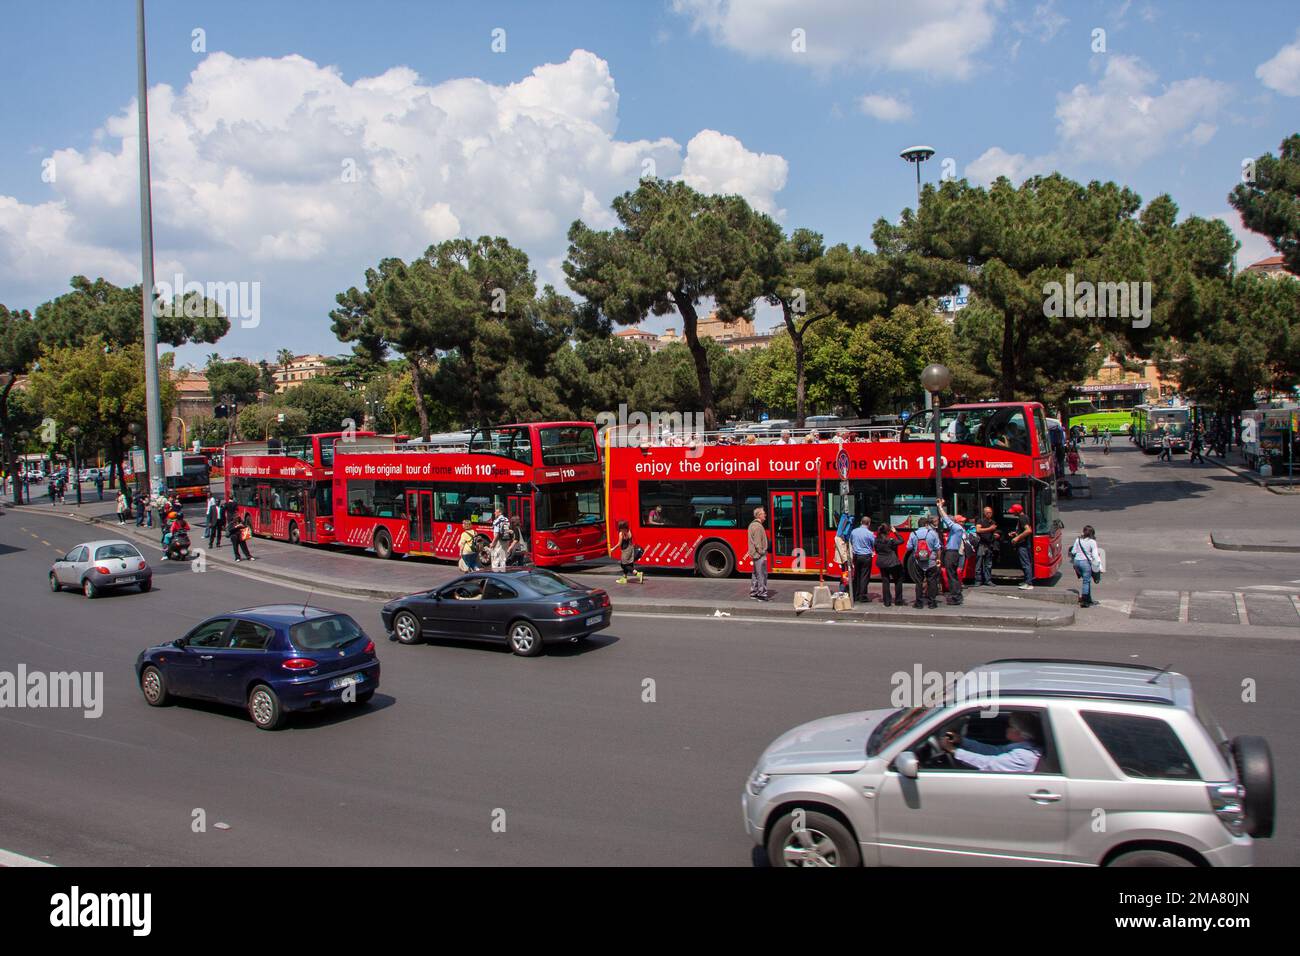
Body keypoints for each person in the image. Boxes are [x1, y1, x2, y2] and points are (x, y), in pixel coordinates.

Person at [939, 713, 1043, 773]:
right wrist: (962, 741)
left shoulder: (1023, 756)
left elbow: (988, 763)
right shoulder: (1024, 747)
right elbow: (994, 751)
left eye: (1010, 726)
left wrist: (954, 751)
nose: (1007, 728)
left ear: (1020, 733)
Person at [905, 515, 942, 609]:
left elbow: (908, 547)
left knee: (918, 582)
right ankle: (932, 603)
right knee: (932, 581)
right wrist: (938, 559)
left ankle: (919, 603)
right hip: (931, 561)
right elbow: (938, 548)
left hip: (918, 562)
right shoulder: (933, 533)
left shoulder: (913, 534)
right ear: (926, 524)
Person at [936, 500, 966, 606]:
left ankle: (955, 597)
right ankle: (957, 595)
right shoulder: (958, 529)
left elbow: (946, 520)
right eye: (961, 521)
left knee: (951, 576)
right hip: (953, 553)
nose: (963, 522)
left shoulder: (957, 528)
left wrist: (940, 507)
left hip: (951, 553)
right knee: (953, 575)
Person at [874, 523, 905, 607]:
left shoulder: (876, 540)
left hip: (881, 562)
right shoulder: (890, 540)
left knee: (885, 581)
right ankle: (898, 600)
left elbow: (876, 551)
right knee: (898, 580)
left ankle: (887, 601)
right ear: (888, 531)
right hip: (893, 562)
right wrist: (895, 532)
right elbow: (902, 540)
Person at [1071, 524, 1102, 608]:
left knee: (1086, 580)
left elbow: (1073, 551)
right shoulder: (1092, 542)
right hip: (1085, 563)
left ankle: (1088, 599)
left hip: (1076, 562)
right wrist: (1100, 567)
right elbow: (1095, 555)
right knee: (1086, 581)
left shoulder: (1078, 540)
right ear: (1092, 533)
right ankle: (1085, 601)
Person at [848, 516, 876, 604]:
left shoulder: (854, 531)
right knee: (865, 576)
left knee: (857, 575)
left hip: (857, 556)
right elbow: (873, 544)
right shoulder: (870, 534)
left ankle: (855, 595)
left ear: (861, 522)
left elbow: (851, 542)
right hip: (866, 556)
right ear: (869, 523)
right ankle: (862, 596)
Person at [1008, 503, 1034, 590]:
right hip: (1024, 544)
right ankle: (1027, 580)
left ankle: (1028, 583)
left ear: (1017, 511)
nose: (1012, 513)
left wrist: (1017, 538)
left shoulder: (1022, 518)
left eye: (1013, 511)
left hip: (1023, 544)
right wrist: (1015, 533)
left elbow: (1028, 530)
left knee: (1025, 563)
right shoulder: (1024, 517)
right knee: (1026, 563)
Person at [748, 506, 771, 601]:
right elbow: (758, 543)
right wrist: (762, 552)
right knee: (762, 574)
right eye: (763, 513)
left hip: (755, 554)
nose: (765, 515)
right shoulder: (758, 526)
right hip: (759, 555)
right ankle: (762, 594)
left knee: (756, 573)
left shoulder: (753, 525)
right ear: (759, 515)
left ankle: (754, 592)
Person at [973, 506, 999, 586]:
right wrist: (990, 529)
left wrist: (995, 535)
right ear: (984, 513)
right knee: (979, 563)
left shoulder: (993, 522)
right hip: (981, 544)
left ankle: (988, 580)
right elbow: (978, 530)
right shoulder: (980, 521)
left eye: (990, 512)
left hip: (989, 544)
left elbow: (993, 532)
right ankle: (978, 580)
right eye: (987, 512)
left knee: (988, 564)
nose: (989, 514)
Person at [613, 519, 643, 584]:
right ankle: (624, 578)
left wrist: (613, 549)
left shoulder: (621, 533)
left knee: (624, 565)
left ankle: (638, 574)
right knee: (629, 563)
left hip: (625, 551)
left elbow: (619, 544)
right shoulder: (629, 531)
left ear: (621, 527)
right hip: (631, 549)